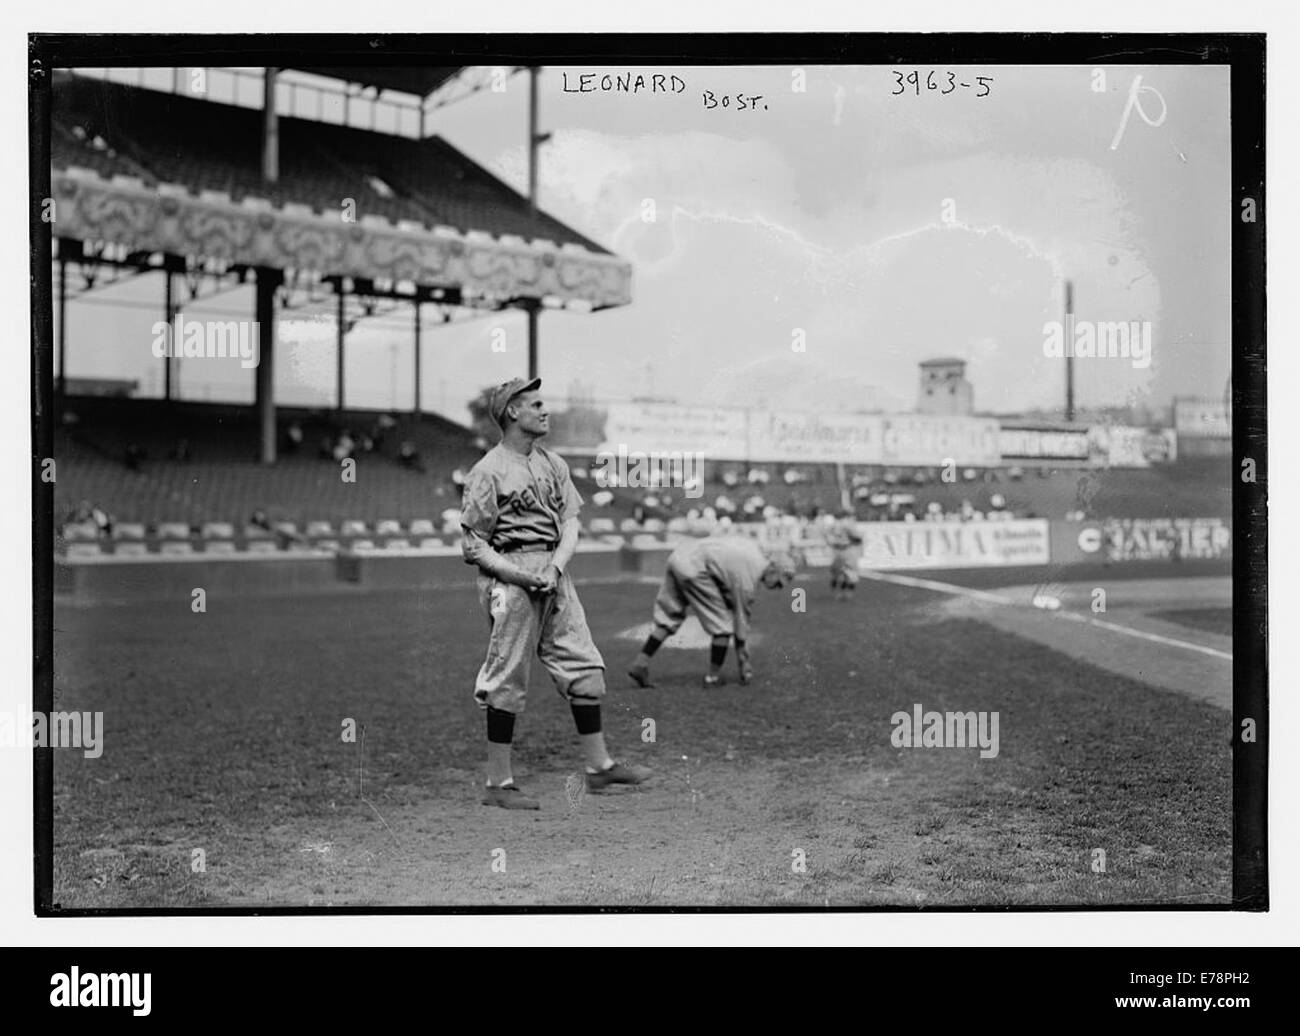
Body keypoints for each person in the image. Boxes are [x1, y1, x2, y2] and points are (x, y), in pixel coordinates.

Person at [460, 377, 651, 810]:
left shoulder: (554, 464)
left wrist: (557, 566)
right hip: (511, 575)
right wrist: (522, 577)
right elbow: (474, 545)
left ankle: (599, 769)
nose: (546, 411)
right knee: (507, 676)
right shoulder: (487, 470)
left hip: (553, 569)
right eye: (537, 404)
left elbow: (571, 524)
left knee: (584, 666)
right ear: (513, 412)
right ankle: (498, 784)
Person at [627, 534, 795, 689]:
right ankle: (712, 678)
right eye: (779, 583)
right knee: (722, 626)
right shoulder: (749, 577)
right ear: (774, 569)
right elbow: (741, 619)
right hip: (696, 567)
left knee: (670, 616)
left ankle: (640, 664)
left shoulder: (753, 551)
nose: (777, 588)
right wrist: (744, 662)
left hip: (679, 556)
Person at [826, 511, 864, 600]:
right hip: (847, 549)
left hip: (836, 550)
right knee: (851, 572)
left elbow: (828, 537)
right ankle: (848, 593)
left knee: (836, 572)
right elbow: (857, 537)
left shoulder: (832, 525)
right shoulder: (848, 525)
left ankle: (835, 593)